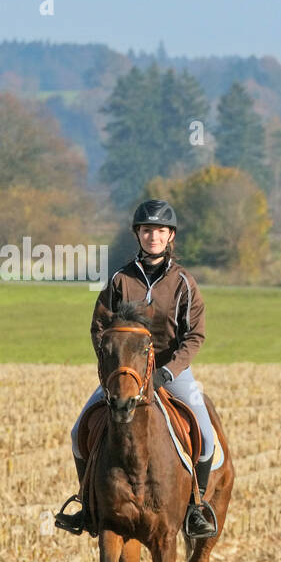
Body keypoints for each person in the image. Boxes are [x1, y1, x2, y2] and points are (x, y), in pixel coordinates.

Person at [55, 199, 219, 538]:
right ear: (138, 235)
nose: (153, 236)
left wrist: (168, 372)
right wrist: (111, 372)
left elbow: (195, 335)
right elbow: (99, 328)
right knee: (77, 433)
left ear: (170, 236)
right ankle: (88, 506)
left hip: (168, 372)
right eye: (147, 230)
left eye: (160, 230)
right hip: (125, 376)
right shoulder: (119, 280)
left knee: (206, 438)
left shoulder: (184, 283)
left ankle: (195, 509)